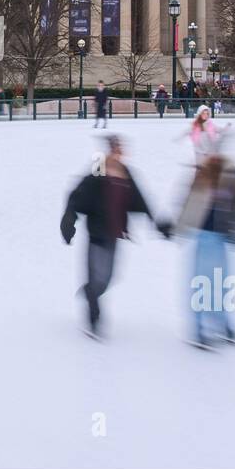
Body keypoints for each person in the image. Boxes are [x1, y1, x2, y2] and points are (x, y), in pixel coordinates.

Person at [60, 135, 168, 340]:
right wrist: (69, 219)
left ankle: (90, 291)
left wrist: (157, 222)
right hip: (96, 234)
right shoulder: (98, 169)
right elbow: (78, 196)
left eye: (121, 149)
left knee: (108, 279)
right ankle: (94, 319)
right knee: (97, 277)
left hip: (114, 234)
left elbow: (140, 201)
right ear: (108, 150)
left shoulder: (127, 173)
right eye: (115, 149)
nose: (119, 153)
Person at [172, 153, 235, 350]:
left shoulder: (231, 178)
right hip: (203, 238)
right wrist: (178, 229)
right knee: (201, 285)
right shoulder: (201, 177)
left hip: (221, 239)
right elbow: (187, 205)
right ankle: (198, 330)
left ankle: (223, 325)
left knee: (222, 286)